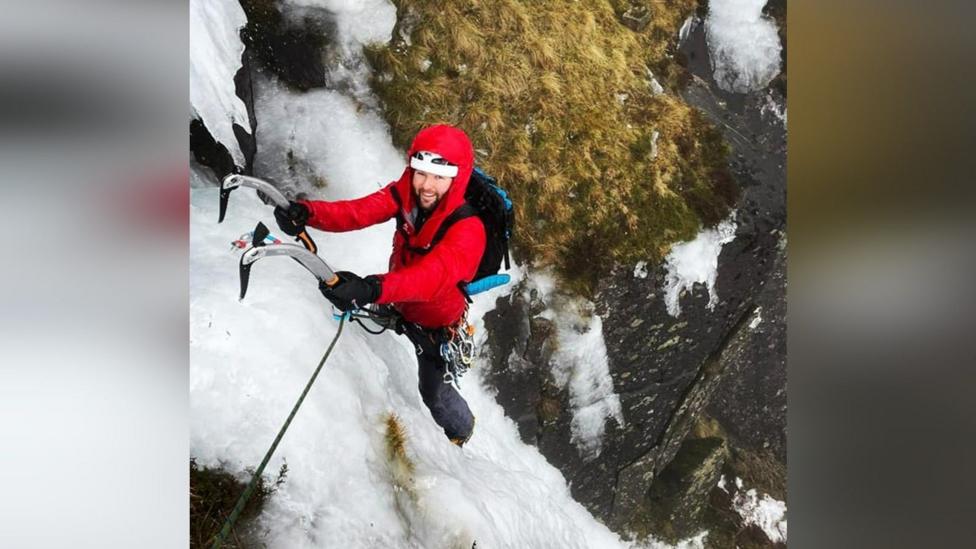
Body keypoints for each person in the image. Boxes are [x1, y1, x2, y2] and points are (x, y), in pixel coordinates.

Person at [273, 124, 485, 446]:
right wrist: (308, 213)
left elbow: (432, 278)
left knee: (432, 392)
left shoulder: (469, 229)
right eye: (421, 173)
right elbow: (359, 212)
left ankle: (461, 430)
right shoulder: (406, 193)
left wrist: (372, 289)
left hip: (434, 322)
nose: (426, 186)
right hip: (396, 298)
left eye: (439, 177)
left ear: (456, 179)